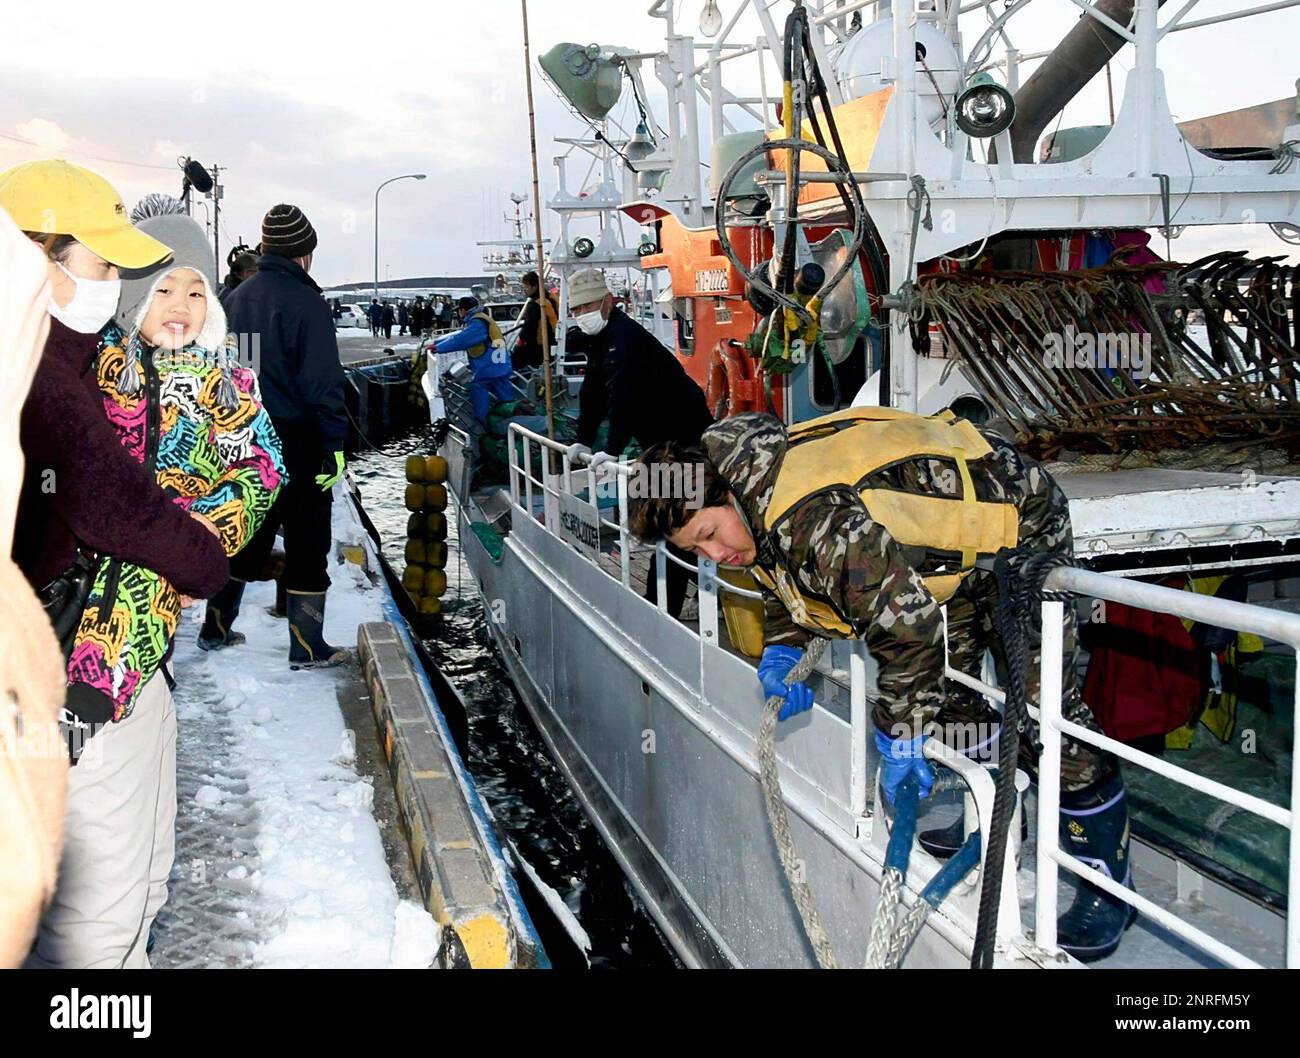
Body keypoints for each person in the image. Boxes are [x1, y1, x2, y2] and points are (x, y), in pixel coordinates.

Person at [626, 407, 1135, 963]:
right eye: (697, 551)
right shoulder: (755, 497)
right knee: (956, 695)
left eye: (709, 535)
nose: (716, 556)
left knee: (1043, 710)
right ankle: (995, 821)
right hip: (944, 554)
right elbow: (786, 575)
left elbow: (907, 627)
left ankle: (1107, 884)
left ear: (726, 495)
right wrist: (783, 646)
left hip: (1019, 517)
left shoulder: (806, 517)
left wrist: (898, 734)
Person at [1, 159, 230, 969]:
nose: (117, 283)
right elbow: (115, 506)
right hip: (72, 676)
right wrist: (212, 560)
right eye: (103, 263)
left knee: (143, 879)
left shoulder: (69, 356)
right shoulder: (42, 373)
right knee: (99, 922)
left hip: (127, 668)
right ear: (38, 258)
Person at [70, 205, 285, 719]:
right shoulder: (91, 364)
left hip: (162, 551)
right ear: (133, 294)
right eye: (164, 289)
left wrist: (202, 535)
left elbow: (262, 466)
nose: (181, 305)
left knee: (110, 671)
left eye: (195, 292)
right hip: (83, 550)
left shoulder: (226, 380)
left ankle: (83, 714)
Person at [201, 203, 350, 668]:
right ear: (304, 252)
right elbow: (322, 382)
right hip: (300, 442)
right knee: (308, 540)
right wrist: (335, 447)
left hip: (248, 439)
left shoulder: (239, 299)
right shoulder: (306, 302)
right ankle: (307, 647)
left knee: (247, 534)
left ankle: (216, 628)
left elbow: (238, 369)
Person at [569, 267, 713, 618]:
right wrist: (583, 440)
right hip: (656, 446)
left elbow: (625, 398)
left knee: (674, 529)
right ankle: (669, 601)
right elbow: (593, 394)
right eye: (575, 310)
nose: (582, 315)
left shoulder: (626, 338)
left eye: (588, 306)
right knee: (662, 526)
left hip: (684, 441)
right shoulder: (600, 339)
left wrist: (612, 449)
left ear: (607, 301)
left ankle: (664, 610)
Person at [435, 295, 513, 422]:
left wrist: (438, 348)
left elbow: (462, 339)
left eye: (459, 310)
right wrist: (438, 343)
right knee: (504, 392)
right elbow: (462, 336)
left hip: (489, 366)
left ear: (464, 310)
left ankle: (482, 422)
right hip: (500, 363)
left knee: (479, 387)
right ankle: (511, 416)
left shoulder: (477, 323)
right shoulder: (485, 319)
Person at [513, 269, 557, 371]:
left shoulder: (535, 305)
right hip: (554, 342)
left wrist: (519, 345)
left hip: (540, 346)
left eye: (527, 287)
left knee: (514, 359)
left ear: (535, 287)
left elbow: (529, 327)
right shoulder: (552, 299)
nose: (525, 290)